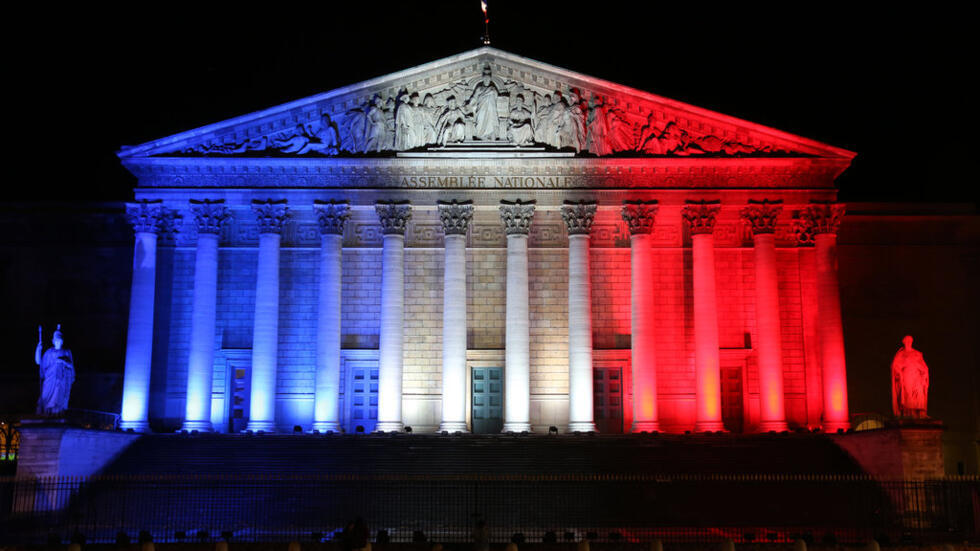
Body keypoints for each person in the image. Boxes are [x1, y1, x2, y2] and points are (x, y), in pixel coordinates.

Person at [35, 324, 74, 415]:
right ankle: (46, 411)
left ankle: (57, 412)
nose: (58, 342)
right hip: (50, 378)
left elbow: (71, 366)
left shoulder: (66, 352)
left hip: (61, 379)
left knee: (58, 396)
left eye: (60, 341)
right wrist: (38, 350)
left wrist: (62, 361)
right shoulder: (49, 352)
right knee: (45, 395)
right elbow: (39, 362)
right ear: (53, 341)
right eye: (56, 341)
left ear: (62, 341)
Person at [891, 335, 929, 418]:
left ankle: (920, 413)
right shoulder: (901, 354)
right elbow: (895, 365)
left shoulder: (917, 353)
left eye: (910, 341)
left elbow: (923, 365)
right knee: (908, 394)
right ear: (904, 343)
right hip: (907, 375)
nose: (908, 343)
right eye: (907, 341)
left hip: (916, 376)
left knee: (919, 393)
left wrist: (924, 374)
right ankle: (908, 413)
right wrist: (900, 373)